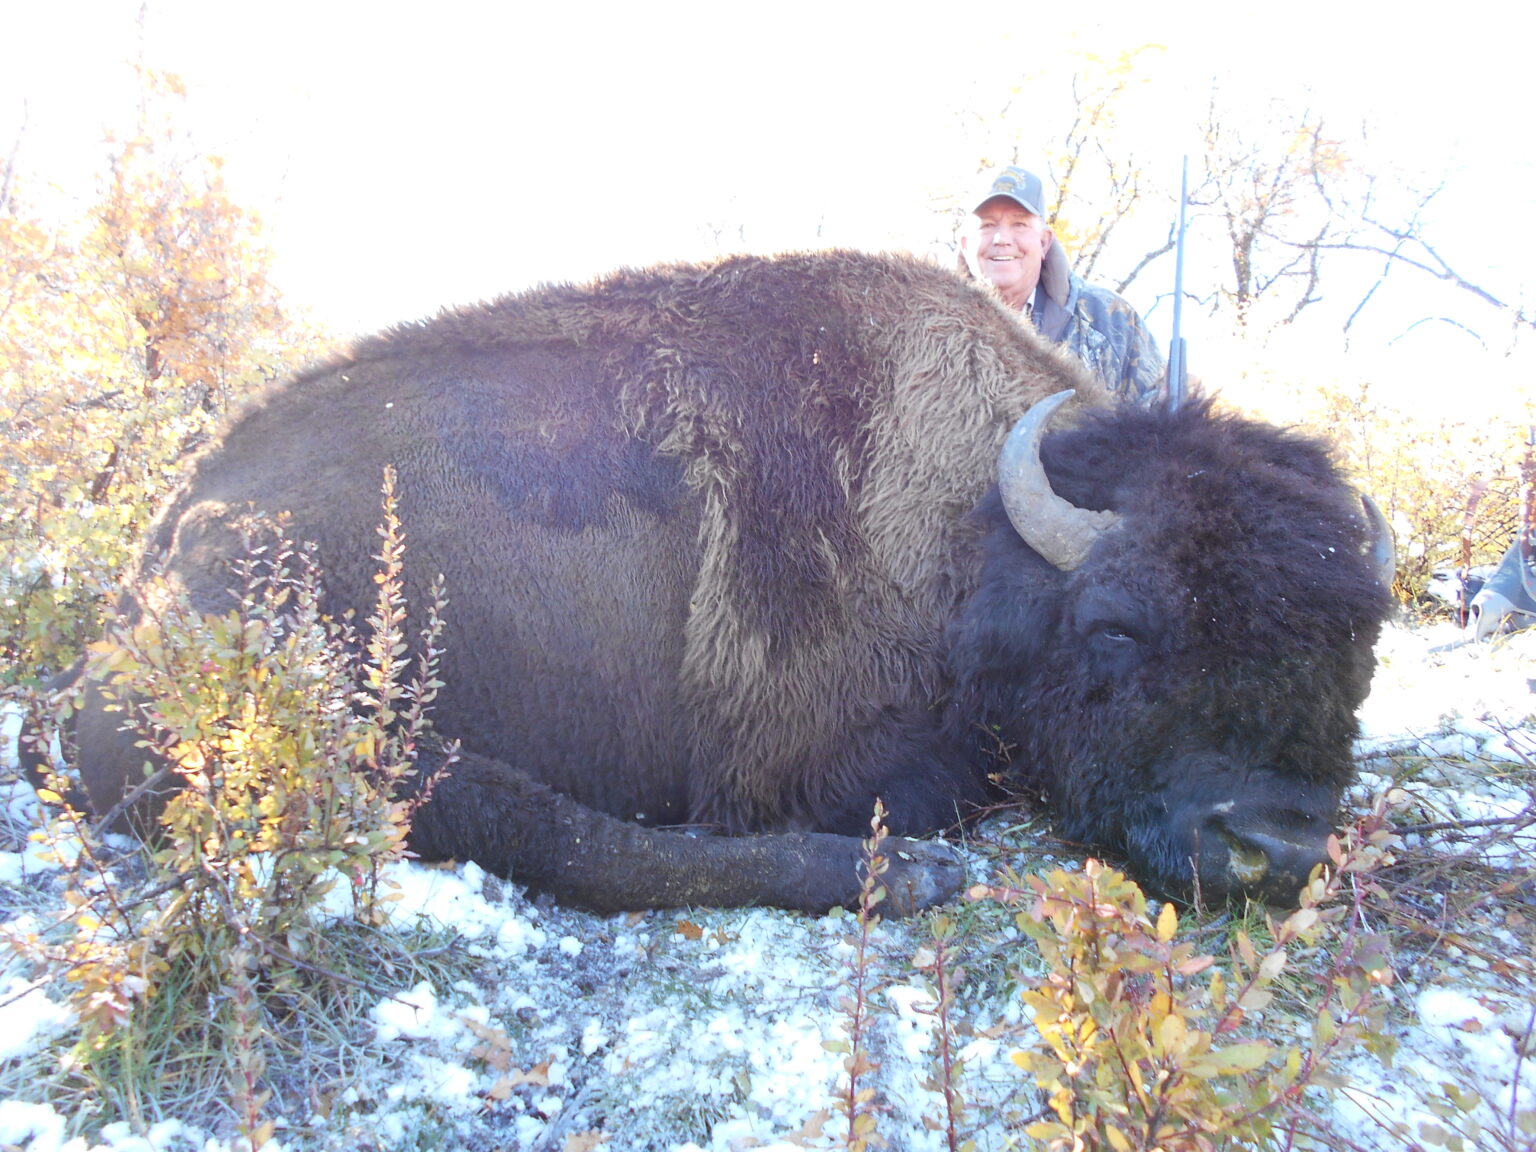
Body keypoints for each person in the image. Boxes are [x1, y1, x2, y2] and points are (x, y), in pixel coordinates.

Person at [960, 165, 1166, 406]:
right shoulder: (926, 330)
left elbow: (1156, 420)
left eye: (1019, 224)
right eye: (987, 225)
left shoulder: (1113, 322)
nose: (1002, 239)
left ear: (1044, 241)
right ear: (965, 244)